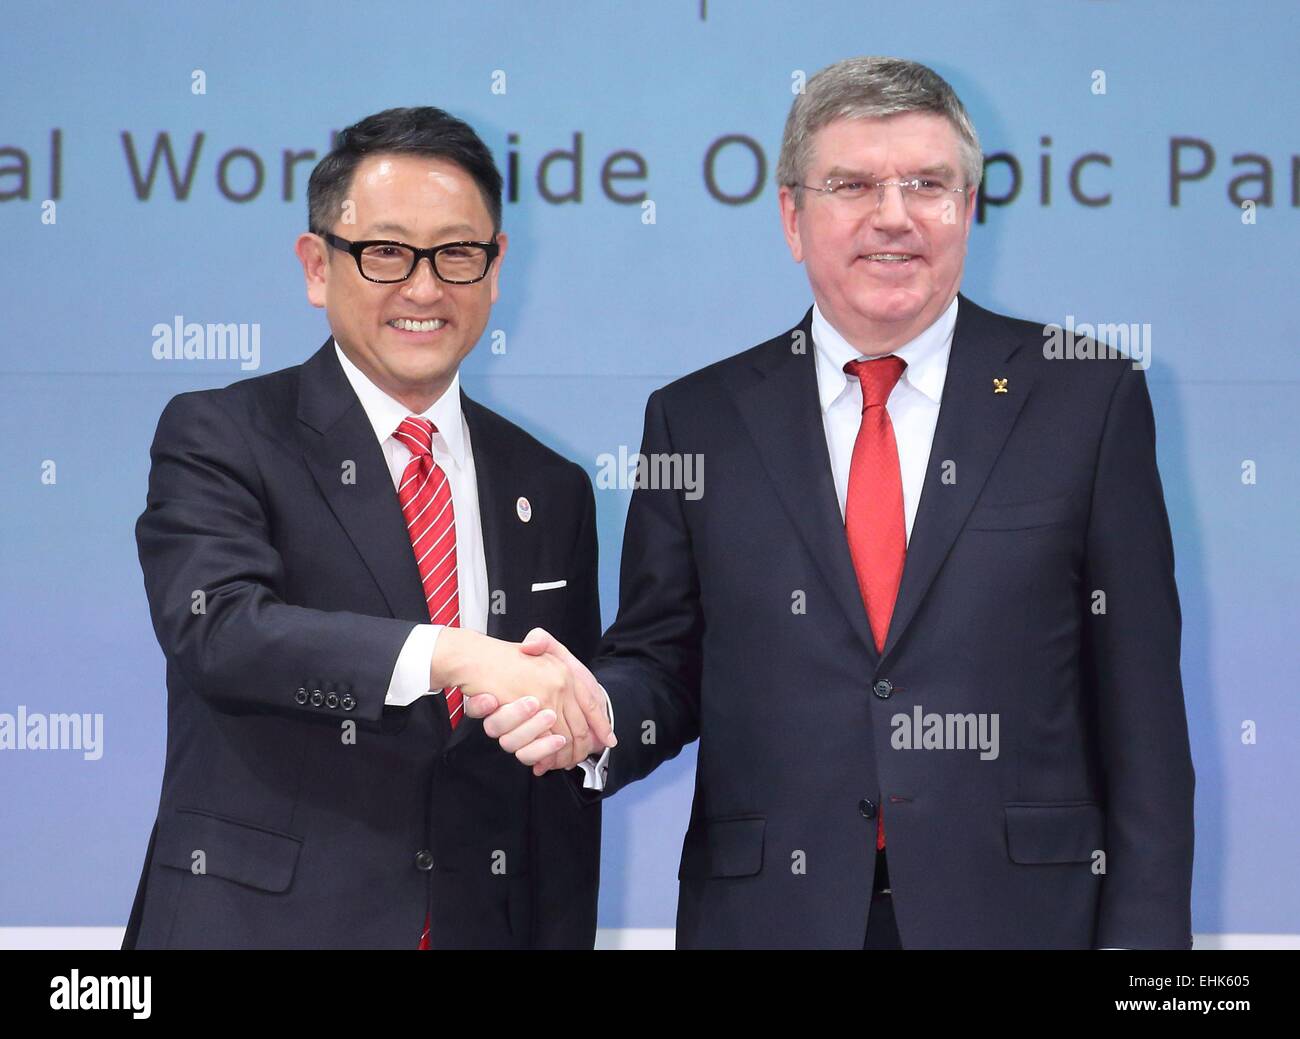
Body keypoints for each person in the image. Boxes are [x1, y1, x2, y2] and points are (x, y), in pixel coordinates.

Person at [469, 57, 1195, 949]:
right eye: (852, 184)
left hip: (1022, 919)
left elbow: (1145, 721)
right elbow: (664, 659)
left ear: (967, 208)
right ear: (792, 217)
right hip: (770, 917)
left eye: (927, 184)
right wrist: (598, 713)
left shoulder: (1088, 399)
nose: (893, 215)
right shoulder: (694, 417)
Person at [122, 106, 614, 950]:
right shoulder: (223, 433)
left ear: (496, 270)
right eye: (385, 251)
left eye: (457, 253)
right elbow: (221, 633)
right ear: (317, 266)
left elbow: (552, 772)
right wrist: (455, 652)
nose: (424, 288)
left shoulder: (551, 484)